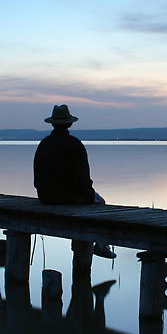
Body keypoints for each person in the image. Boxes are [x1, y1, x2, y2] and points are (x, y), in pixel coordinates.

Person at [34, 104, 116, 258]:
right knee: (101, 202)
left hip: (45, 197)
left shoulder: (44, 144)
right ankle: (100, 245)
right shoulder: (74, 144)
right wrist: (91, 196)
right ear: (70, 123)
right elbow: (83, 178)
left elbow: (37, 175)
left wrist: (43, 191)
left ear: (52, 123)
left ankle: (88, 248)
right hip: (69, 198)